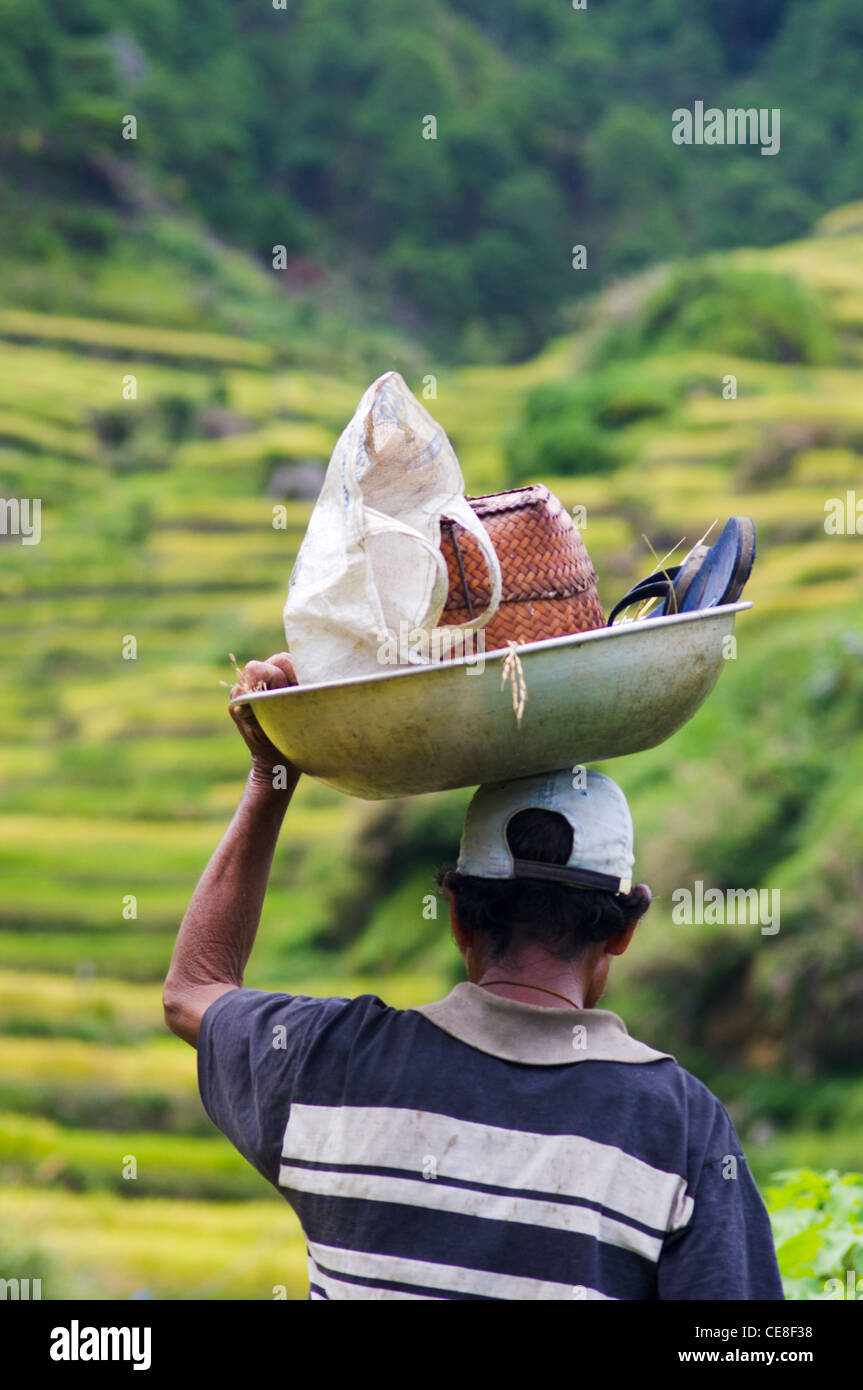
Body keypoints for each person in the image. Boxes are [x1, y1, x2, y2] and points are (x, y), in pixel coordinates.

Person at [163, 651, 784, 1301]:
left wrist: (272, 776)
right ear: (622, 931)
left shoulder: (328, 1060)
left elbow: (193, 991)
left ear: (457, 914)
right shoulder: (679, 1127)